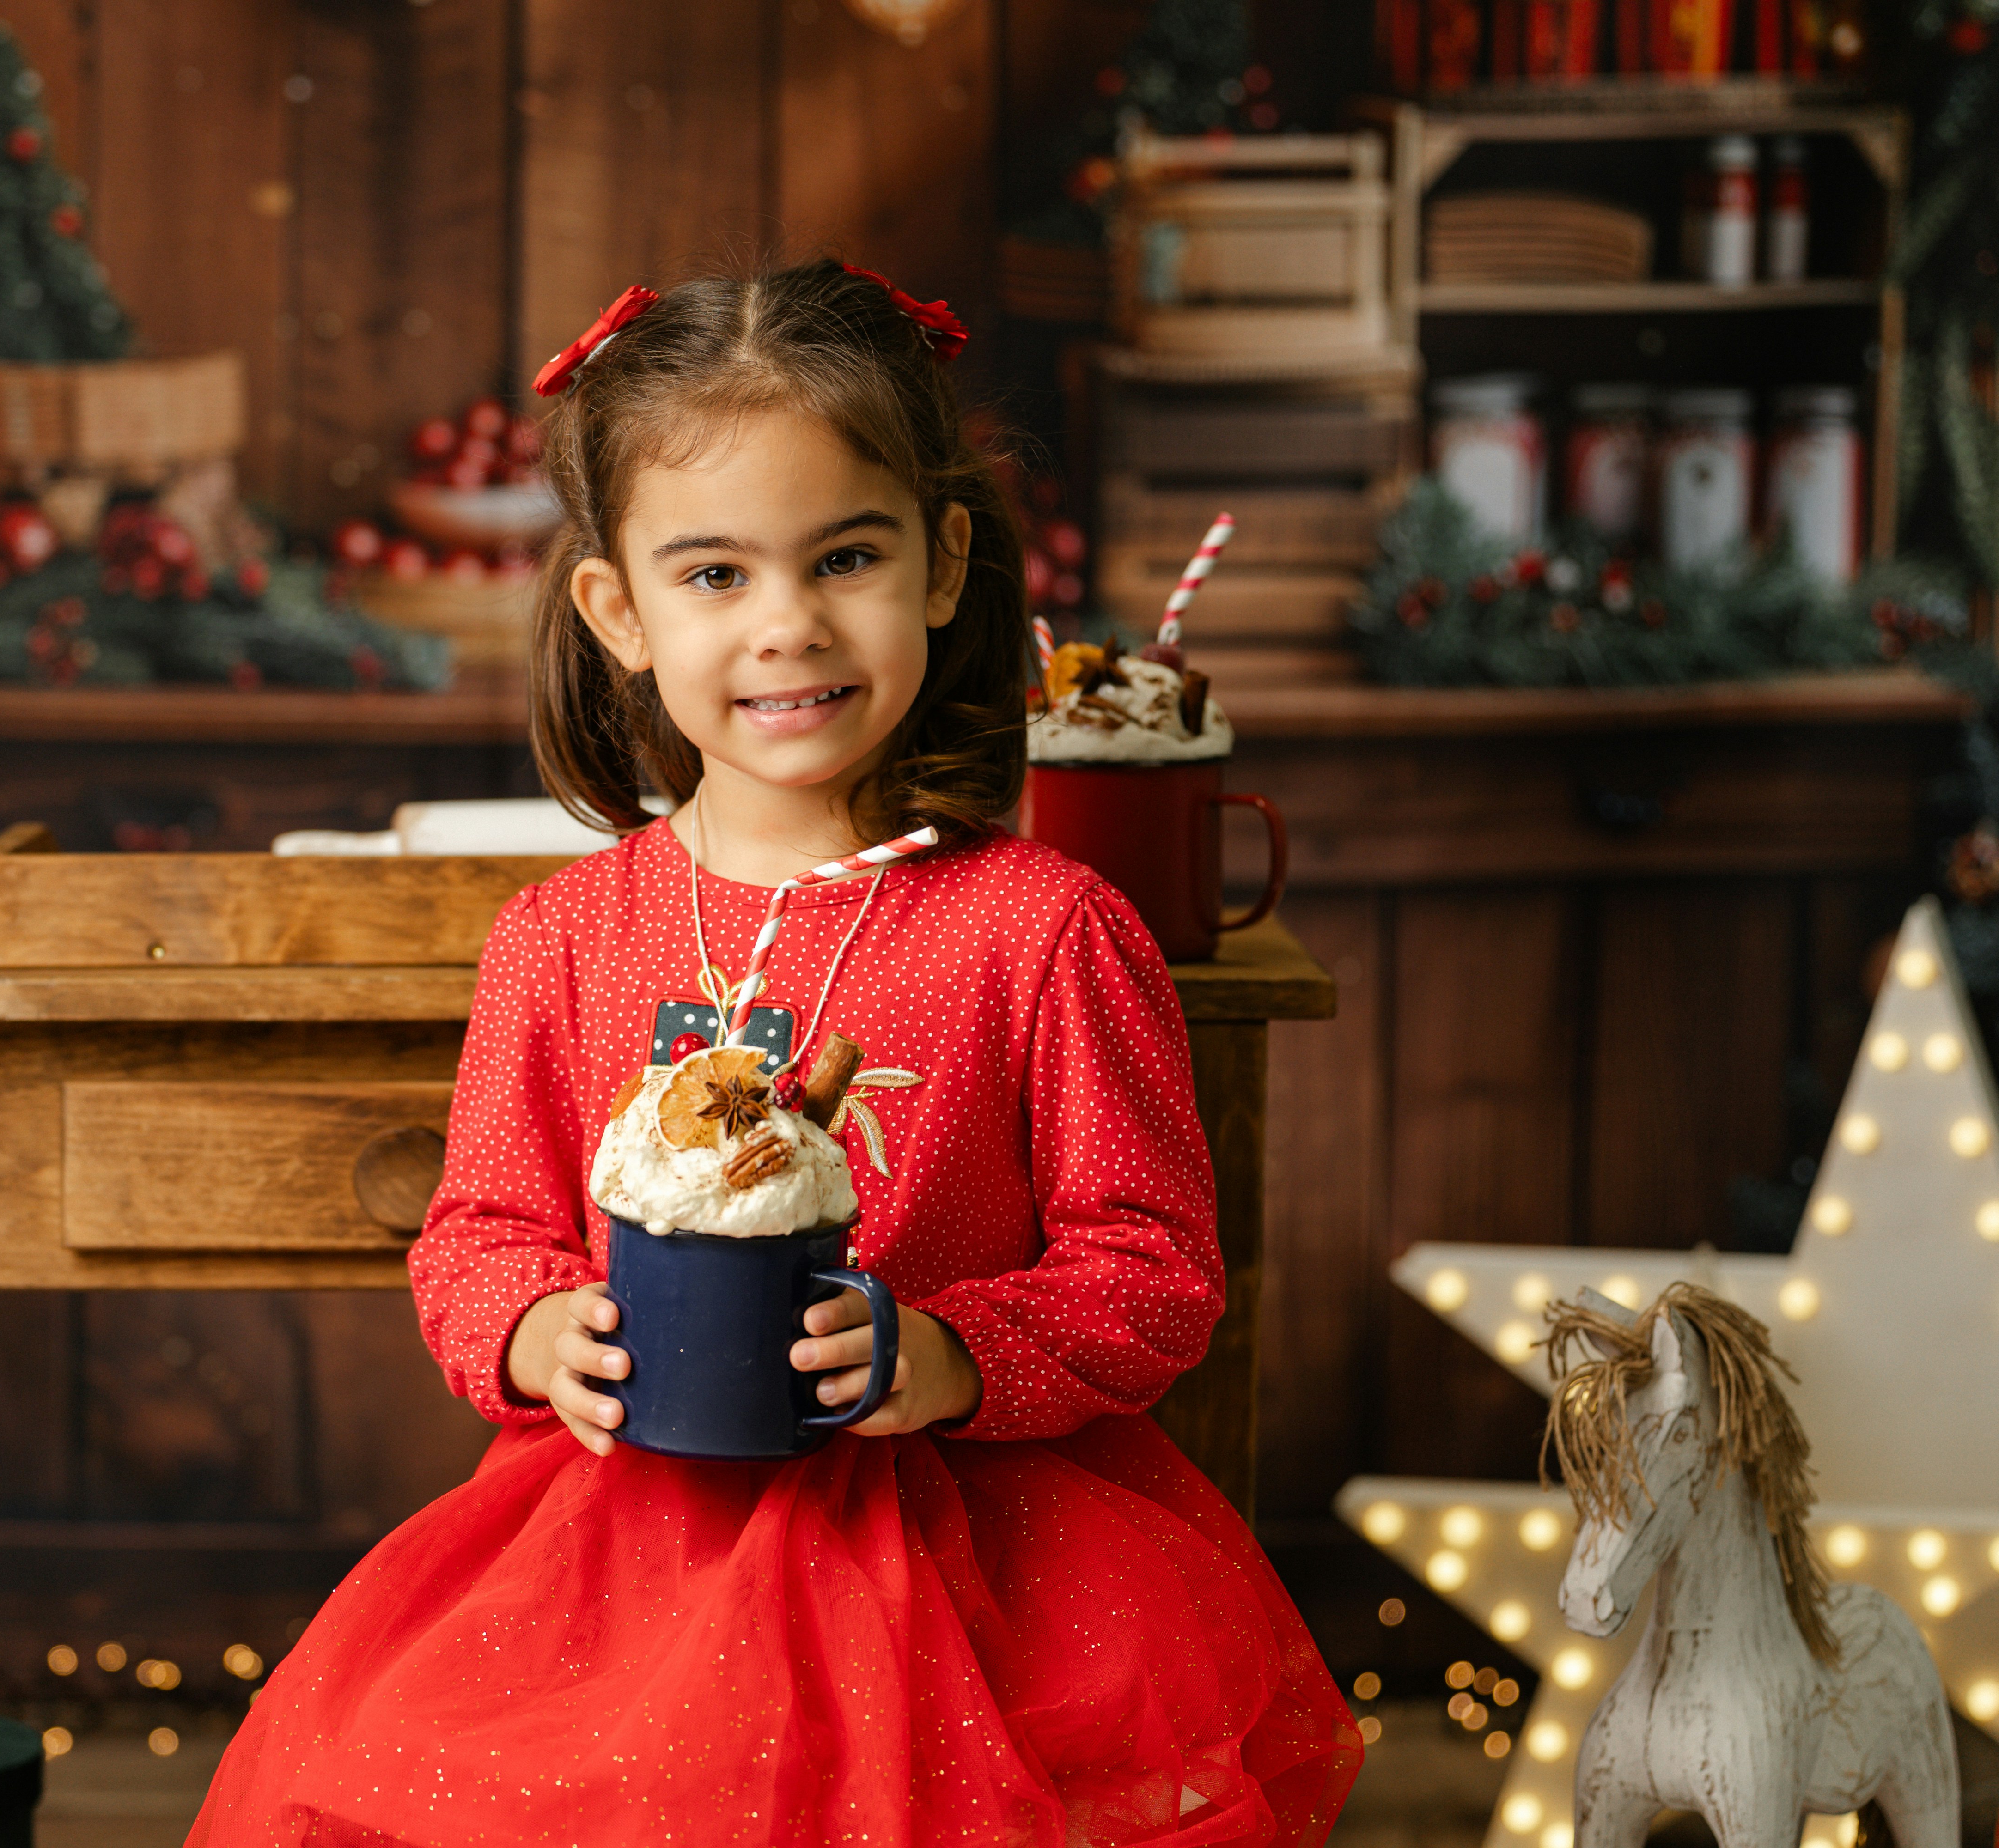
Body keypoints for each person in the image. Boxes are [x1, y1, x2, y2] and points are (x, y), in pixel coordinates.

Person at [185, 259, 1359, 1848]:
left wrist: (949, 1358)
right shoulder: (562, 938)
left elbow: (1151, 1268)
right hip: (631, 1559)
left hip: (976, 1573)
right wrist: (534, 1335)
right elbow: (478, 1235)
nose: (789, 625)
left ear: (944, 565)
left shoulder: (1050, 932)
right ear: (620, 613)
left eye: (847, 557)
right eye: (715, 575)